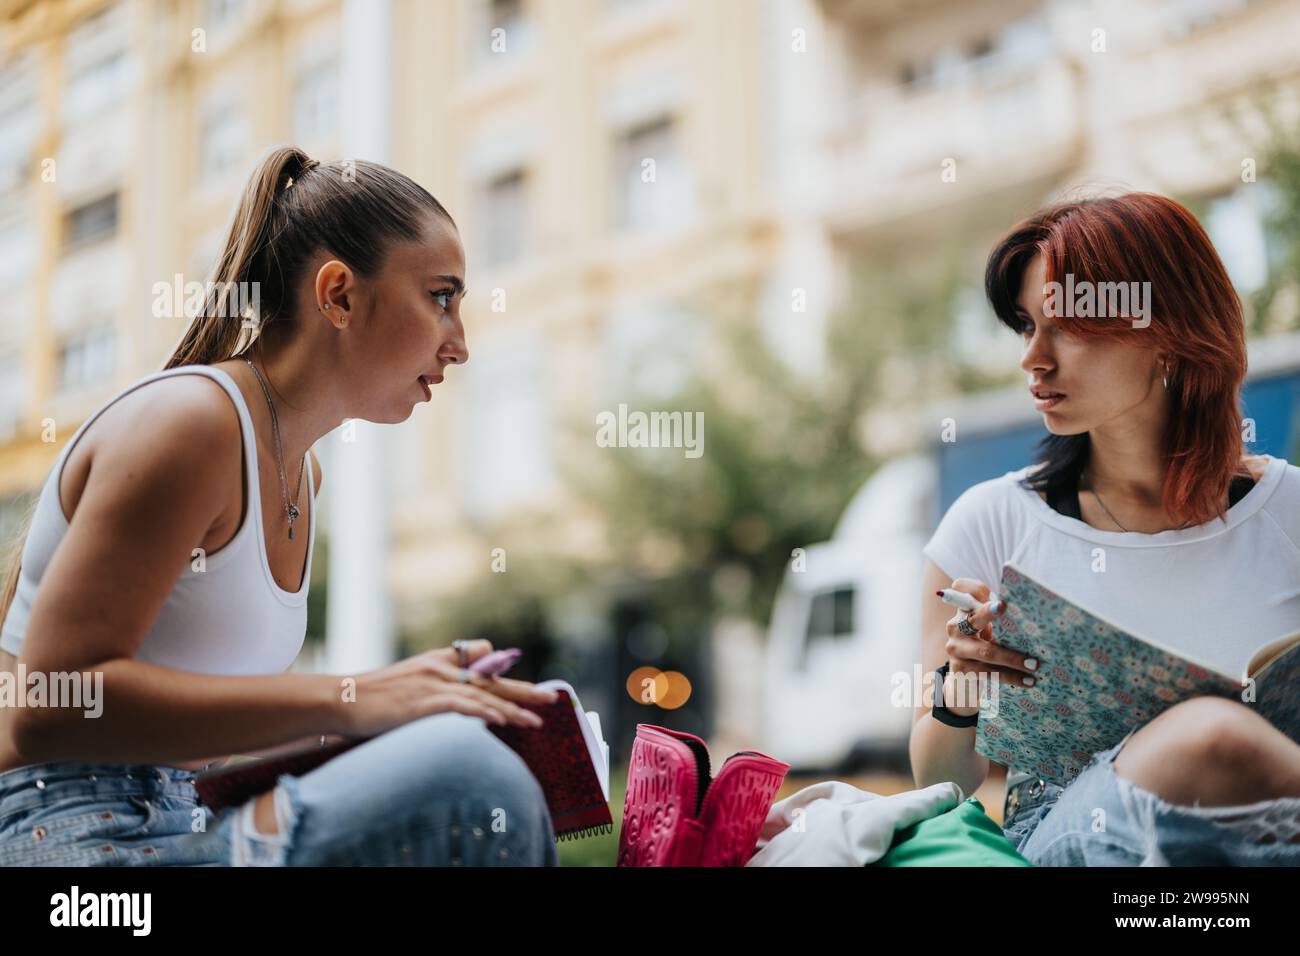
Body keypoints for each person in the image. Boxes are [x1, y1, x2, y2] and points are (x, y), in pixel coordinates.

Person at [0, 145, 560, 866]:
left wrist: (408, 706)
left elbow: (209, 737)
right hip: (74, 854)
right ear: (338, 295)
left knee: (465, 757)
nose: (460, 345)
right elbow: (48, 708)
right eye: (442, 297)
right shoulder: (192, 424)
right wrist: (353, 699)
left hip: (181, 825)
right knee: (467, 779)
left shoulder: (302, 476)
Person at [911, 192, 1300, 865]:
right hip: (1072, 841)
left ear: (1169, 332)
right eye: (1026, 326)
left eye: (1066, 325)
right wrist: (959, 690)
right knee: (1211, 739)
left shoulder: (1288, 510)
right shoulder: (992, 522)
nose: (1034, 358)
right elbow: (938, 783)